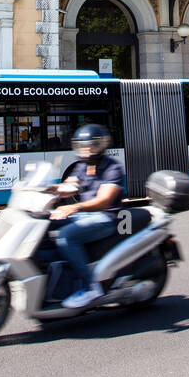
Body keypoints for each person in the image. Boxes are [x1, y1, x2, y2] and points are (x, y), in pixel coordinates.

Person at [50, 124, 125, 309]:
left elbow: (104, 201)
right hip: (86, 216)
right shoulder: (83, 167)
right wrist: (48, 190)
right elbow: (69, 186)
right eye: (82, 145)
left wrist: (74, 208)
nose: (86, 149)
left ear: (101, 145)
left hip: (105, 218)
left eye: (91, 145)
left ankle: (91, 287)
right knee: (46, 226)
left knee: (66, 237)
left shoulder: (112, 167)